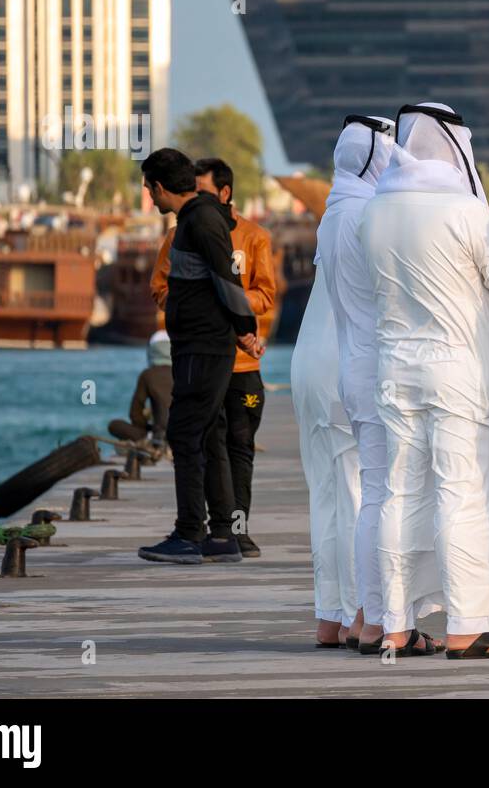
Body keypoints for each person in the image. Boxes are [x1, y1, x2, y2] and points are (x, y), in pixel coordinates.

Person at [361, 101, 489, 658]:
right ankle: (469, 626)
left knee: (398, 492)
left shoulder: (373, 210)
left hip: (392, 370)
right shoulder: (466, 212)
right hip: (457, 371)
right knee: (461, 491)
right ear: (455, 145)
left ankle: (396, 625)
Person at [317, 115, 442, 654]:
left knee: (375, 496)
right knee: (396, 496)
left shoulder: (332, 213)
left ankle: (367, 617)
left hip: (354, 364)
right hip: (384, 369)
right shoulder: (367, 213)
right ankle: (387, 621)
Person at [137, 148, 263, 565]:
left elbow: (226, 279)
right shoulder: (196, 219)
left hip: (203, 347)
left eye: (149, 189)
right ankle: (223, 536)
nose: (150, 198)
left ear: (159, 186)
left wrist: (244, 330)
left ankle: (189, 534)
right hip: (201, 345)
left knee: (184, 433)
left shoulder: (200, 221)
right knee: (208, 435)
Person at [291, 225, 362, 648]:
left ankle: (330, 616)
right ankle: (358, 614)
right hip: (342, 366)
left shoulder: (332, 217)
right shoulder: (371, 213)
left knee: (326, 494)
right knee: (358, 493)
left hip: (308, 362)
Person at [108, 330, 173, 452]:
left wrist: (147, 428)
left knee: (114, 425)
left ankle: (148, 439)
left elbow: (135, 414)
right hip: (187, 433)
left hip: (159, 437)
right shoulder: (185, 372)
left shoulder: (148, 375)